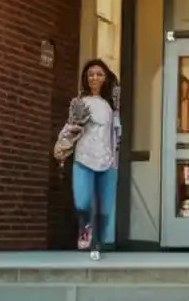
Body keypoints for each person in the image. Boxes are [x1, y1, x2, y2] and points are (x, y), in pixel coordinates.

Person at [53, 59, 122, 257]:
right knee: (82, 201)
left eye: (99, 74)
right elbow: (72, 126)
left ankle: (98, 243)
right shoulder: (80, 103)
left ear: (105, 78)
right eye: (91, 74)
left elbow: (116, 133)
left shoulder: (111, 106)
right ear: (85, 78)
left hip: (108, 159)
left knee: (105, 205)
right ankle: (86, 230)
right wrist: (64, 142)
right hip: (84, 157)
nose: (94, 78)